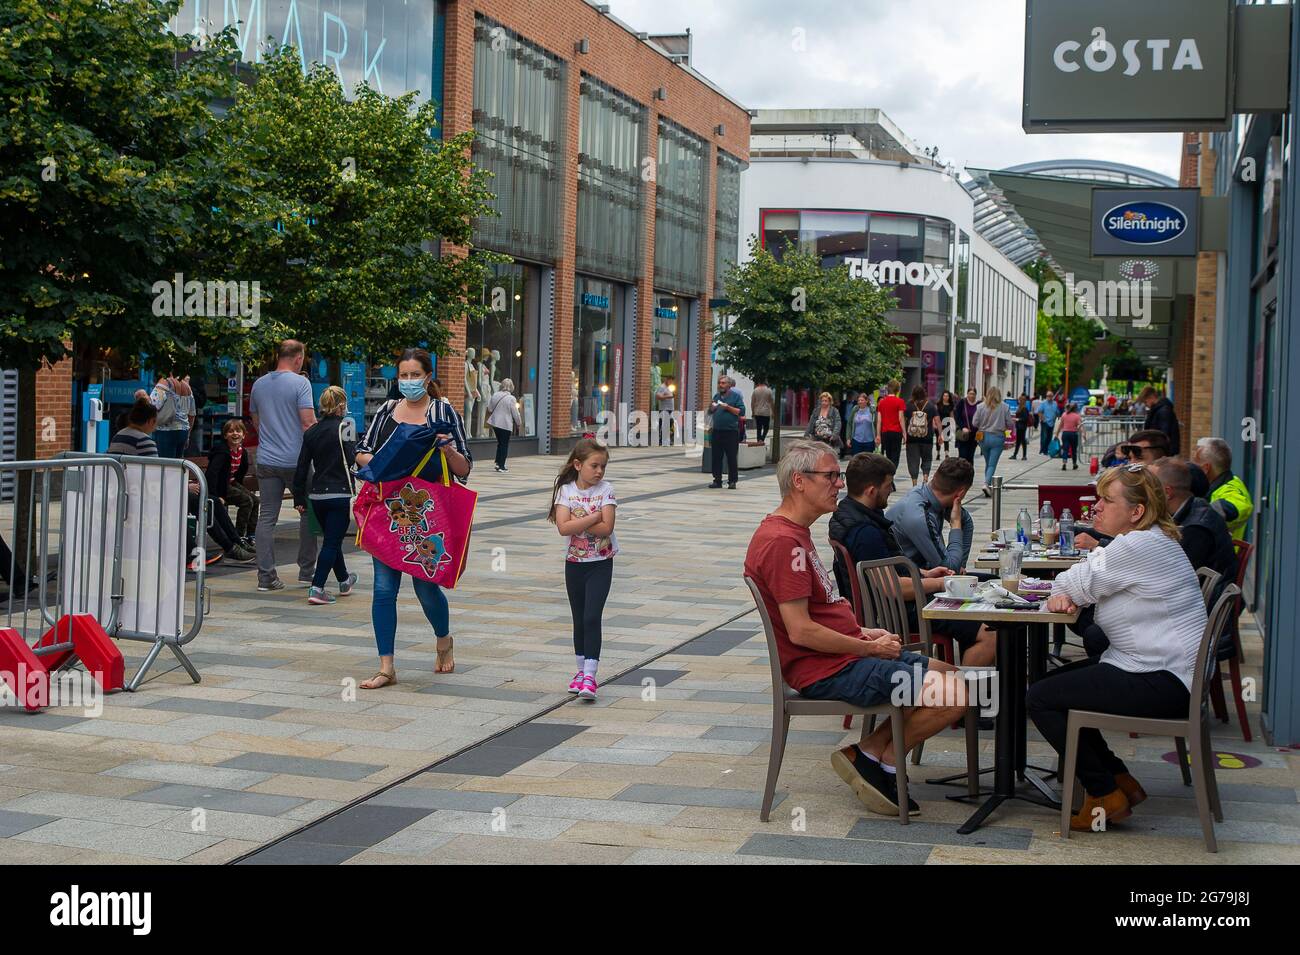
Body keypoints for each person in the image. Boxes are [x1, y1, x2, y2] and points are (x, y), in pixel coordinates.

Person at [744, 439, 970, 817]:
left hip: (843, 655)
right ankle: (884, 759)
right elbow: (800, 632)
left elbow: (820, 614)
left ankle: (867, 753)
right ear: (799, 481)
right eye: (831, 476)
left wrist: (864, 633)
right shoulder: (783, 543)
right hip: (827, 668)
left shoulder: (793, 533)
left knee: (953, 677)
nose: (838, 483)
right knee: (956, 693)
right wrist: (866, 648)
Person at [1027, 465, 1207, 831]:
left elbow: (1073, 582)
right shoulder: (1150, 539)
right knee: (1058, 686)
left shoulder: (1137, 545)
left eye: (1107, 501)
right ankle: (1119, 780)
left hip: (1163, 679)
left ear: (1136, 512)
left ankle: (1104, 794)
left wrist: (1066, 592)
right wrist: (1067, 588)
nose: (1096, 508)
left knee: (1041, 697)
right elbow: (1079, 577)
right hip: (1165, 671)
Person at [353, 349, 472, 689]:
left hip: (428, 516)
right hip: (389, 510)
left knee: (425, 587)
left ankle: (443, 639)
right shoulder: (387, 411)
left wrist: (446, 449)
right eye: (402, 376)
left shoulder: (442, 412)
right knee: (382, 589)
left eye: (413, 375)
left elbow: (464, 468)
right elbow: (361, 451)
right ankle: (386, 667)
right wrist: (381, 459)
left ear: (428, 377)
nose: (407, 382)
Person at [829, 453, 995, 666]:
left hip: (895, 605)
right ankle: (964, 693)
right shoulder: (865, 532)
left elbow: (886, 568)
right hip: (897, 612)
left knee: (981, 600)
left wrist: (925, 573)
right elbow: (891, 588)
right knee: (990, 633)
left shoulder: (849, 515)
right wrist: (942, 582)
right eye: (889, 485)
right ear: (871, 490)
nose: (892, 490)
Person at [111, 397, 254, 565]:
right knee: (203, 502)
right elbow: (156, 475)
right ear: (150, 421)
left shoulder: (120, 435)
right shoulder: (143, 440)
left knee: (208, 501)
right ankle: (229, 547)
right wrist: (184, 486)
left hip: (130, 490)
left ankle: (231, 545)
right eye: (156, 422)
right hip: (145, 495)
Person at [549, 438, 618, 701]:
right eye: (594, 466)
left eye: (603, 466)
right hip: (575, 564)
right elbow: (563, 528)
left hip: (600, 563)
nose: (599, 472)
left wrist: (578, 521)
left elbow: (607, 528)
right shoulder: (565, 491)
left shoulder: (606, 490)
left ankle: (591, 673)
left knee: (592, 616)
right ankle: (579, 671)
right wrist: (592, 517)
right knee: (578, 618)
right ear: (578, 465)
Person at [249, 340, 318, 592]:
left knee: (267, 517)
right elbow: (308, 423)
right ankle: (307, 572)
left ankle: (266, 577)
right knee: (307, 513)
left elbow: (256, 421)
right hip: (296, 460)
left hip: (266, 459)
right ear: (299, 358)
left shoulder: (259, 384)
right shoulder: (301, 383)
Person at [292, 386, 359, 606]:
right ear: (341, 405)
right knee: (331, 543)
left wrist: (299, 499)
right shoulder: (346, 426)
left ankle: (344, 580)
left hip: (317, 494)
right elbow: (352, 457)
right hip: (339, 492)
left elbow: (301, 466)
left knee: (332, 540)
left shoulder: (311, 431)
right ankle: (317, 587)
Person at [1150, 458, 1237, 594]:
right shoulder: (1193, 509)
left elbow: (1169, 578)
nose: (1144, 493)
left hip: (1200, 607)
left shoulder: (1195, 529)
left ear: (1167, 492)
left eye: (1149, 487)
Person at [886, 456, 975, 573]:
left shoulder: (928, 493)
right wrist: (956, 523)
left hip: (923, 574)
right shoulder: (918, 516)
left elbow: (967, 522)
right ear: (961, 493)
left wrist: (960, 565)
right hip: (908, 582)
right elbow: (950, 568)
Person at [206, 419, 260, 548]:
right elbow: (212, 475)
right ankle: (238, 536)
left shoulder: (242, 451)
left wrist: (239, 487)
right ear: (225, 436)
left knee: (255, 500)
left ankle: (250, 535)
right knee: (247, 501)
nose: (235, 434)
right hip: (219, 487)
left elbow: (240, 473)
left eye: (238, 431)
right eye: (230, 431)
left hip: (231, 483)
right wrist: (216, 495)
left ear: (243, 434)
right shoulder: (222, 452)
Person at [1193, 437, 1254, 540]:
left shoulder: (1232, 488)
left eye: (1197, 466)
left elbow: (1240, 506)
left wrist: (1199, 513)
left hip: (1221, 554)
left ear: (1206, 468)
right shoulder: (1214, 486)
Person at [972, 386, 1013, 495]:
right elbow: (1010, 423)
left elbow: (974, 423)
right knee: (992, 464)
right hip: (998, 437)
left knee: (988, 462)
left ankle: (988, 485)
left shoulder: (980, 407)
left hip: (983, 438)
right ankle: (986, 483)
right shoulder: (1005, 407)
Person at [708, 375, 744, 489]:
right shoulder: (716, 396)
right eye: (719, 383)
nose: (720, 385)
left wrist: (728, 407)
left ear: (729, 385)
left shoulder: (735, 397)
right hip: (717, 431)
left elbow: (741, 411)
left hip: (731, 432)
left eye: (723, 383)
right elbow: (710, 411)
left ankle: (732, 481)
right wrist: (712, 408)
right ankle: (717, 480)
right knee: (716, 457)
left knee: (731, 457)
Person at [148, 373, 192, 459]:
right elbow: (192, 413)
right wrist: (188, 434)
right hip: (183, 431)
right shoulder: (187, 387)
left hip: (165, 431)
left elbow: (152, 405)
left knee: (165, 466)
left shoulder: (164, 383)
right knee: (176, 467)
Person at [902, 385, 939, 487]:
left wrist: (903, 433)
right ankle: (925, 479)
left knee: (913, 460)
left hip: (912, 438)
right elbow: (937, 420)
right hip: (927, 437)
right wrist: (940, 434)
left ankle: (914, 483)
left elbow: (903, 420)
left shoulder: (909, 405)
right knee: (927, 458)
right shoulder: (930, 406)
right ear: (924, 393)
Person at [486, 378, 522, 471]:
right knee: (504, 444)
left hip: (495, 423)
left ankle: (498, 462)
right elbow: (515, 412)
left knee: (500, 443)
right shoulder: (511, 398)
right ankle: (501, 465)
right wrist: (519, 423)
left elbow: (489, 409)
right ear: (511, 387)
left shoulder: (495, 395)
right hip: (505, 424)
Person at [1139, 385, 1181, 456]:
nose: (1145, 405)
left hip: (1163, 451)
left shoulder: (1163, 410)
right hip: (1161, 449)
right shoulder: (1159, 409)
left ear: (1151, 397)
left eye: (1145, 402)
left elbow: (1163, 433)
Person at [876, 380, 906, 469]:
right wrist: (904, 433)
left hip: (885, 432)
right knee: (895, 456)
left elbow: (879, 420)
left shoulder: (881, 402)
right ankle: (892, 476)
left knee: (888, 455)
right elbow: (901, 418)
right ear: (897, 389)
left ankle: (889, 476)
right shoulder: (900, 401)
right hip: (896, 431)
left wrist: (878, 435)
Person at [954, 386, 979, 463]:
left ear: (976, 395)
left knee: (970, 456)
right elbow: (957, 416)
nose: (971, 395)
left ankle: (969, 473)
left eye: (973, 394)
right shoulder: (962, 402)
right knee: (962, 456)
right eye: (970, 393)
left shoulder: (979, 404)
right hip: (963, 434)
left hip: (974, 435)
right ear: (967, 394)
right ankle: (961, 473)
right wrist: (963, 427)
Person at [1055, 402, 1082, 471]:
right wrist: (1083, 434)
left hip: (1065, 434)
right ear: (1075, 409)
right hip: (1073, 434)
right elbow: (1080, 426)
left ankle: (1064, 464)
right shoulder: (1077, 416)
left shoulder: (1064, 414)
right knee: (1073, 450)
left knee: (1065, 449)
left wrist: (1056, 434)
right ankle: (1074, 464)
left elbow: (1060, 426)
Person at [935, 390, 956, 461]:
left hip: (947, 424)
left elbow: (951, 415)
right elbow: (935, 414)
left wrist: (953, 425)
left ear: (949, 397)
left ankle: (946, 454)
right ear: (942, 396)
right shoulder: (938, 404)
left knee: (946, 439)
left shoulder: (950, 405)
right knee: (939, 438)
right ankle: (938, 453)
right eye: (944, 396)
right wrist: (935, 423)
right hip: (939, 423)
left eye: (947, 396)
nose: (945, 397)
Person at [1038, 389, 1059, 455]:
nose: (1049, 397)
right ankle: (1042, 450)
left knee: (1049, 437)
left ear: (1052, 396)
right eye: (1048, 396)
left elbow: (1056, 412)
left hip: (1052, 422)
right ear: (1046, 396)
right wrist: (1043, 419)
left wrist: (1057, 416)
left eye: (1050, 396)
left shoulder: (1055, 403)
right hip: (1045, 422)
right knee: (1044, 436)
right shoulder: (1043, 403)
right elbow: (1039, 411)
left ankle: (1046, 449)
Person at [1012, 394, 1031, 460]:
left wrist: (1018, 419)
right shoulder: (1019, 408)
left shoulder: (1024, 409)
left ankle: (1024, 455)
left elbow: (1025, 418)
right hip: (1019, 426)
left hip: (1022, 427)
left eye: (1019, 400)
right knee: (1018, 441)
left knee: (1022, 441)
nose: (1018, 401)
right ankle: (1015, 455)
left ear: (1022, 401)